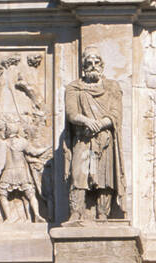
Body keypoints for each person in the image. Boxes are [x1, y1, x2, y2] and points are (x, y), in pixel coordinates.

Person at [64, 48, 125, 221]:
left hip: (104, 137)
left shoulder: (112, 87)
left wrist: (100, 123)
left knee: (104, 176)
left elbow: (116, 113)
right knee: (79, 174)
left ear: (102, 65)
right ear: (83, 66)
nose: (92, 66)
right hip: (84, 136)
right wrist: (86, 121)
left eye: (96, 62)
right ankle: (76, 212)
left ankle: (103, 213)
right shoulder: (74, 88)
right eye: (88, 63)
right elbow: (71, 113)